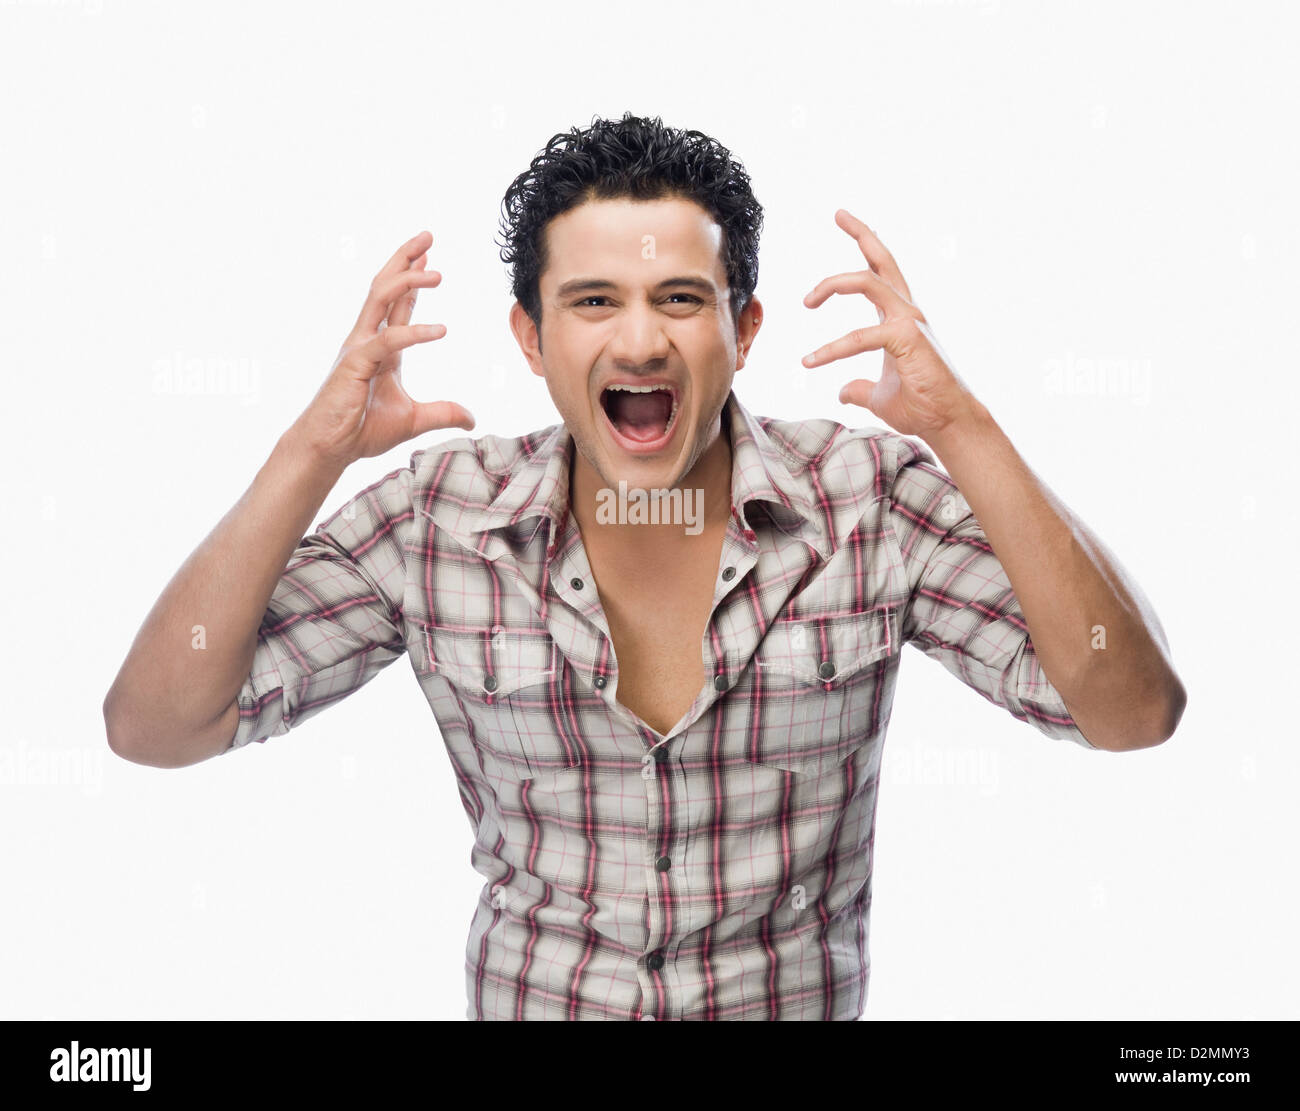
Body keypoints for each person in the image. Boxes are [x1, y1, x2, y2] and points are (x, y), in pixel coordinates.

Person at [103, 112, 1187, 1021]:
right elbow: (156, 723)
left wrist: (964, 427)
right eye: (591, 302)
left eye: (679, 298)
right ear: (529, 338)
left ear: (742, 326)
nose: (638, 343)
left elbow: (1129, 707)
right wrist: (313, 450)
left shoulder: (870, 500)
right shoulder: (436, 519)